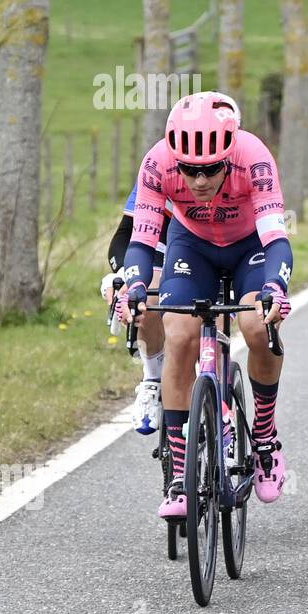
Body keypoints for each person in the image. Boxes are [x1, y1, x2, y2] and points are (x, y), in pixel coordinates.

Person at [117, 92, 293, 519]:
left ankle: (266, 439)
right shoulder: (157, 162)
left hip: (250, 246)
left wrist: (275, 286)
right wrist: (134, 286)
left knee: (257, 328)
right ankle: (180, 476)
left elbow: (277, 240)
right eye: (190, 170)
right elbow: (141, 240)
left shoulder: (254, 157)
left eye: (210, 170)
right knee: (179, 335)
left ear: (227, 154)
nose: (198, 181)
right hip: (191, 245)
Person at [103, 181, 171, 435]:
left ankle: (221, 400)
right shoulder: (161, 168)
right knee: (146, 299)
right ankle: (152, 378)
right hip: (163, 242)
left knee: (215, 317)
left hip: (220, 243)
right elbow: (123, 238)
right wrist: (123, 274)